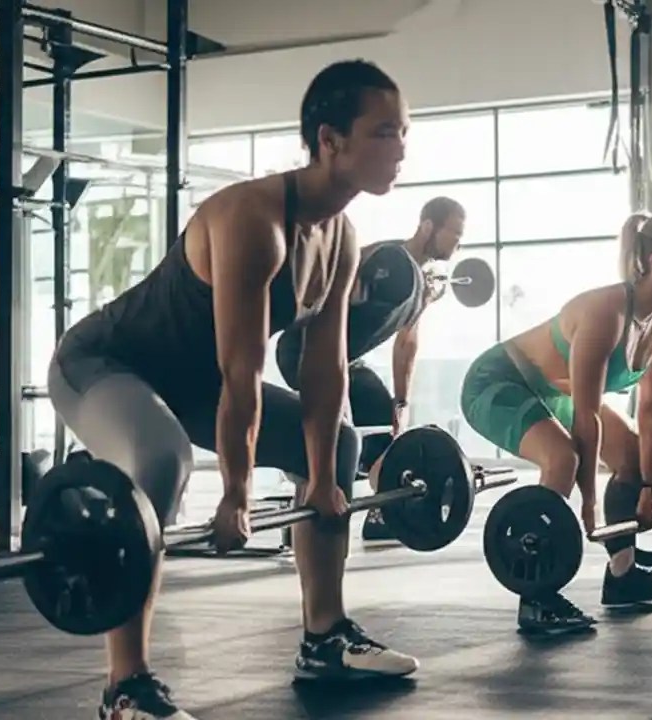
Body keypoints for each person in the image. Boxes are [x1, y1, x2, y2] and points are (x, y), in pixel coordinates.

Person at [46, 60, 418, 720]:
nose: (401, 148)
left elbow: (324, 369)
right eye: (385, 132)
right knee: (161, 458)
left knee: (335, 443)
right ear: (330, 140)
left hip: (192, 382)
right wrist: (237, 496)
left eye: (404, 132)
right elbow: (242, 372)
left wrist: (328, 480)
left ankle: (324, 638)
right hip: (106, 362)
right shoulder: (254, 218)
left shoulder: (341, 237)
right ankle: (124, 688)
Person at [461, 211, 652, 636]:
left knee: (629, 452)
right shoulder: (604, 311)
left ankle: (623, 577)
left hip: (552, 390)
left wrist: (649, 487)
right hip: (497, 382)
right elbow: (587, 416)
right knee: (562, 460)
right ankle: (536, 596)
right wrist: (587, 500)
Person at [274, 197, 466, 542]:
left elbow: (407, 344)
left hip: (347, 361)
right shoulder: (392, 260)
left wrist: (401, 402)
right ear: (427, 227)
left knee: (385, 431)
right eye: (454, 232)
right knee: (337, 440)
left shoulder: (417, 283)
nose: (458, 242)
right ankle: (303, 517)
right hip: (305, 352)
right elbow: (333, 285)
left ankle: (381, 515)